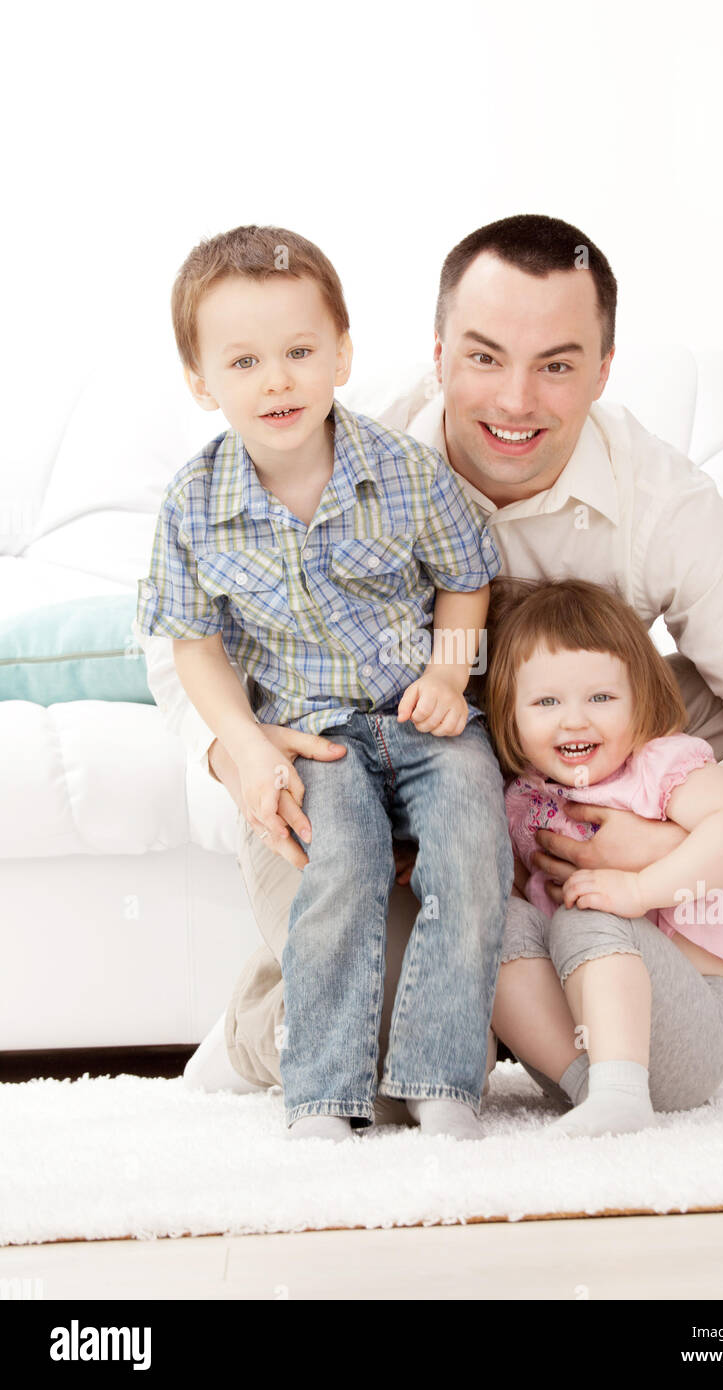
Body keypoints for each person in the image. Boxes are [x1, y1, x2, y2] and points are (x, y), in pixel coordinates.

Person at [137, 213, 723, 1111]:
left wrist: (676, 844)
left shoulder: (660, 501)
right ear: (438, 354)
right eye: (484, 358)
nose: (516, 401)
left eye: (557, 365)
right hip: (364, 755)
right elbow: (180, 643)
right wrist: (240, 747)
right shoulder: (330, 440)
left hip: (551, 763)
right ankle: (262, 1023)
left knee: (690, 700)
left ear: (602, 371)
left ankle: (542, 956)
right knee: (379, 1067)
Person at [135, 225, 513, 1141]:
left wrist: (444, 671)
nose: (278, 380)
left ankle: (444, 1079)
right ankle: (322, 1093)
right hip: (314, 736)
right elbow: (193, 644)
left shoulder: (402, 471)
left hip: (425, 722)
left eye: (301, 352)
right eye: (246, 360)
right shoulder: (193, 505)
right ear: (200, 379)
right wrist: (247, 743)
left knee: (473, 844)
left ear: (341, 355)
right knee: (336, 864)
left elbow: (467, 575)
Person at [484, 577, 723, 1137]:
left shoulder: (660, 766)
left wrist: (637, 892)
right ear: (510, 716)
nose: (574, 720)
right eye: (546, 702)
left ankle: (621, 1092)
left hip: (690, 1033)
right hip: (574, 1052)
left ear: (639, 696)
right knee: (489, 918)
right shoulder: (525, 797)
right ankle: (603, 1096)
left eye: (600, 697)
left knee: (590, 904)